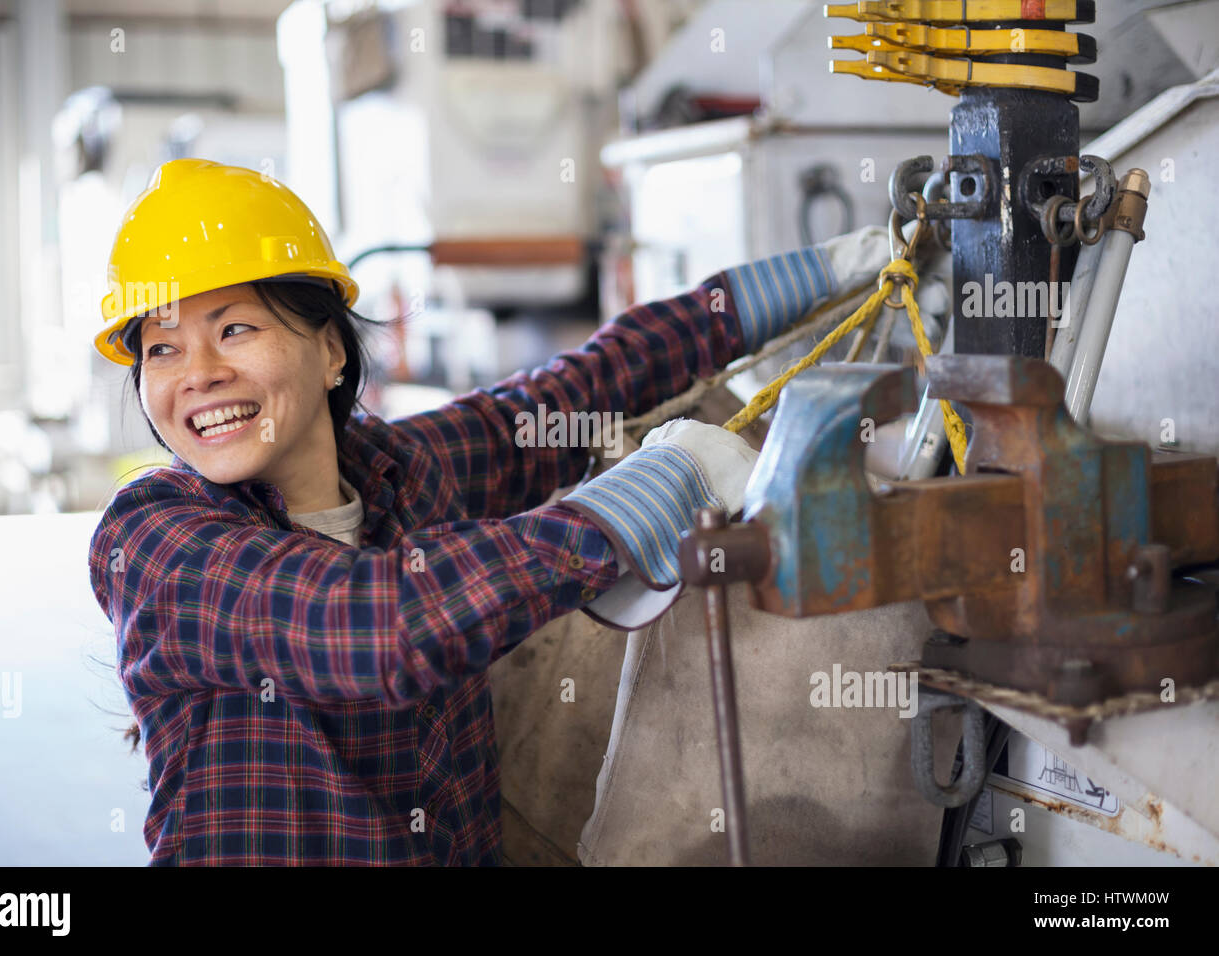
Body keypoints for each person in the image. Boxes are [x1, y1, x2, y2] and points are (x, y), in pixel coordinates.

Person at [87, 158, 838, 865]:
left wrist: (816, 277)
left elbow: (572, 393)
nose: (201, 376)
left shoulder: (402, 473)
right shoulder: (158, 539)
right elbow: (386, 628)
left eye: (233, 329)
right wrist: (651, 493)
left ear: (330, 353)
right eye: (162, 350)